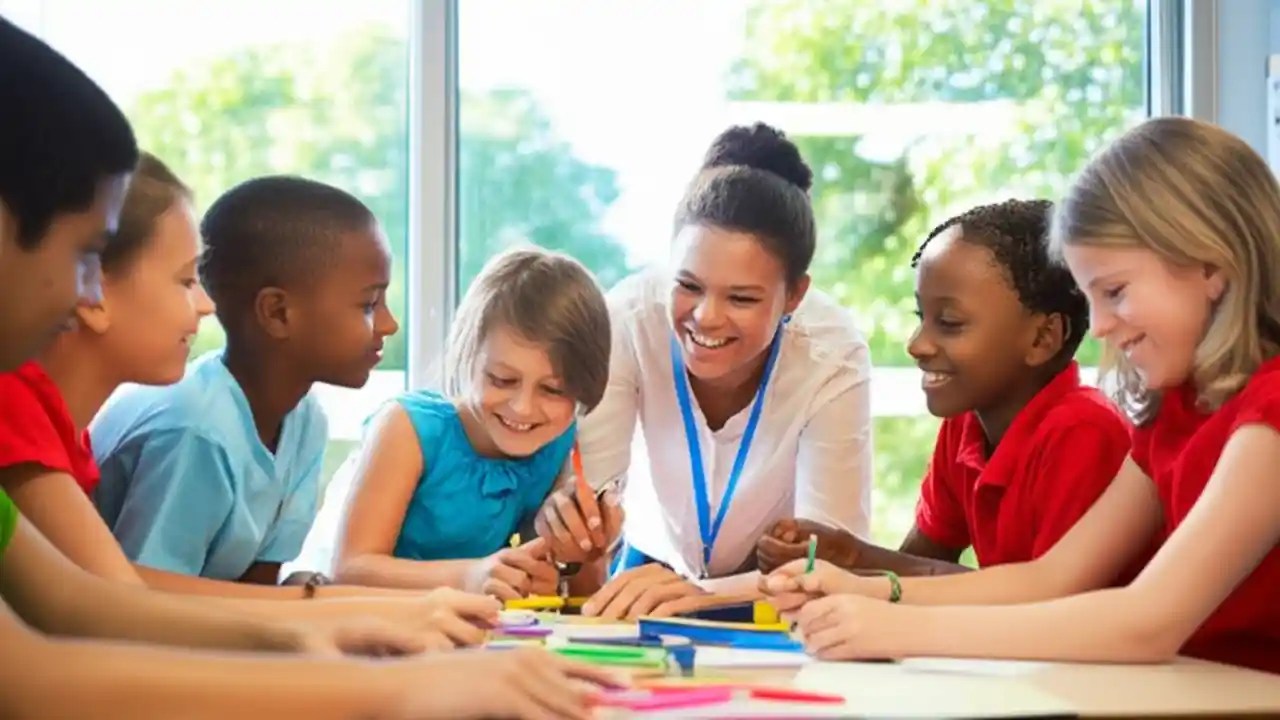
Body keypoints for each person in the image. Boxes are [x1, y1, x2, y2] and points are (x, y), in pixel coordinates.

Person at [0, 19, 617, 718]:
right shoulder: (172, 423)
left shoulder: (299, 424)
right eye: (83, 255)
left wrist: (336, 620)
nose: (85, 294)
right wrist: (373, 668)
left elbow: (85, 605)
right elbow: (57, 656)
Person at [763, 117, 1280, 675]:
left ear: (1211, 265)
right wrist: (869, 591)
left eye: (1116, 292)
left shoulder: (1269, 412)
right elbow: (1051, 577)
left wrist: (897, 625)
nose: (1100, 326)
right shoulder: (1174, 412)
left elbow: (1149, 621)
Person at [538, 123, 873, 619]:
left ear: (795, 296)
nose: (707, 317)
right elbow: (593, 495)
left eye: (741, 298)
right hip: (647, 570)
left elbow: (828, 561)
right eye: (689, 285)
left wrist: (707, 596)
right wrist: (572, 522)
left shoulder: (833, 354)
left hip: (770, 588)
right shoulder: (629, 318)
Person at [756, 199, 1130, 578]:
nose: (917, 344)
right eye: (922, 317)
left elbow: (1047, 602)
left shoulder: (1083, 432)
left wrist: (856, 559)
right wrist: (838, 555)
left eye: (949, 322)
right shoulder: (967, 423)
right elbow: (921, 561)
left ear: (1042, 338)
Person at [90, 173, 396, 587]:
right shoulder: (196, 430)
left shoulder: (305, 419)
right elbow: (145, 605)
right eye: (369, 304)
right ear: (278, 313)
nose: (390, 324)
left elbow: (259, 584)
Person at [334, 246, 619, 598]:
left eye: (552, 390)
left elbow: (580, 591)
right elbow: (349, 570)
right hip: (367, 627)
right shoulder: (409, 428)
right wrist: (470, 577)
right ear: (467, 354)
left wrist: (569, 561)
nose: (524, 408)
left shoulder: (556, 440)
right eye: (501, 379)